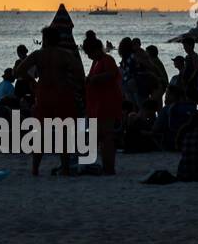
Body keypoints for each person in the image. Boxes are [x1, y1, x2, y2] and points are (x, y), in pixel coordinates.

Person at [15, 25, 86, 176]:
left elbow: (18, 71)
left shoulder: (37, 55)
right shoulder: (65, 55)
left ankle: (35, 169)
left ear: (45, 39)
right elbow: (79, 74)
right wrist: (69, 81)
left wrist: (32, 80)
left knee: (41, 134)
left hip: (44, 95)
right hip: (63, 94)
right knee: (64, 133)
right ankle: (65, 168)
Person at [83, 36, 123, 175]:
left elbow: (111, 75)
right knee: (100, 136)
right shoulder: (96, 62)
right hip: (97, 104)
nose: (88, 56)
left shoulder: (107, 60)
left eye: (89, 53)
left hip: (107, 103)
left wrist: (94, 79)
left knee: (107, 136)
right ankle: (105, 166)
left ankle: (109, 168)